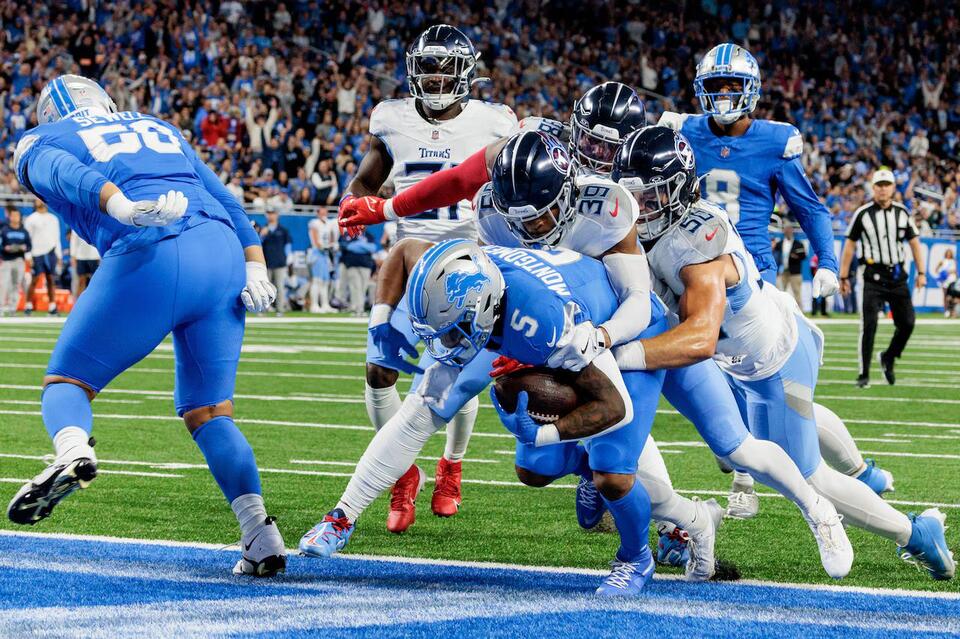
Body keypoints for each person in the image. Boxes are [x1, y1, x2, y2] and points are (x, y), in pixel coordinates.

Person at [611, 127, 954, 582]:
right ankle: (862, 471)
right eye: (633, 196)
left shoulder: (696, 246)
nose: (641, 208)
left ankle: (917, 533)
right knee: (743, 447)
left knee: (807, 476)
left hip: (772, 360)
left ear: (677, 190)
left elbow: (699, 338)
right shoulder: (664, 228)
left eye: (650, 196)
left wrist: (622, 353)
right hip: (742, 357)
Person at [6, 74, 284, 577]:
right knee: (210, 411)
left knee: (67, 381)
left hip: (150, 248)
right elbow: (224, 197)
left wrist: (121, 205)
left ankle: (71, 452)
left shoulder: (40, 139)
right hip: (223, 255)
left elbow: (67, 173)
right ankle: (261, 536)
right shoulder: (157, 125)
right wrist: (257, 266)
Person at [303, 238, 671, 595]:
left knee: (615, 464)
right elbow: (404, 250)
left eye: (452, 333)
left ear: (481, 310)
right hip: (520, 319)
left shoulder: (540, 322)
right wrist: (381, 320)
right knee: (440, 415)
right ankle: (342, 516)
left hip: (622, 330)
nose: (445, 344)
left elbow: (615, 406)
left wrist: (543, 434)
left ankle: (673, 530)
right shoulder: (456, 274)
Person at [338, 24, 518, 531]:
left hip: (468, 264)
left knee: (459, 378)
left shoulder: (495, 122)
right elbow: (365, 180)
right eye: (429, 68)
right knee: (378, 371)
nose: (437, 78)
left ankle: (451, 467)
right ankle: (402, 474)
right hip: (406, 264)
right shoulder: (391, 118)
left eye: (446, 68)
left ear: (466, 74)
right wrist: (353, 201)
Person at [840, 168, 926, 388]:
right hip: (872, 277)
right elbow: (850, 244)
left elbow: (914, 241)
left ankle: (888, 357)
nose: (883, 189)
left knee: (907, 323)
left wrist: (922, 272)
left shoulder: (902, 212)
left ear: (893, 188)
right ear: (873, 188)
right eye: (879, 185)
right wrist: (843, 275)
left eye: (887, 184)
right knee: (869, 324)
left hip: (897, 276)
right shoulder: (863, 213)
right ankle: (864, 374)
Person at [23, 199, 62, 315]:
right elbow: (27, 239)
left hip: (51, 253)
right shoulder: (31, 219)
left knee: (50, 279)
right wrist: (28, 255)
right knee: (34, 280)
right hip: (36, 253)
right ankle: (28, 305)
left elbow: (57, 237)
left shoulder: (53, 219)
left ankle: (52, 306)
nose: (38, 201)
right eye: (36, 200)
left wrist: (59, 255)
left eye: (39, 199)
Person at [259, 208, 291, 315]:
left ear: (277, 215)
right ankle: (263, 309)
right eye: (269, 213)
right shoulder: (262, 229)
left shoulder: (283, 230)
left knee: (280, 288)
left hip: (280, 263)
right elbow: (257, 245)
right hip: (266, 262)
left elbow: (288, 247)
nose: (271, 216)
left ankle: (280, 309)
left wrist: (286, 259)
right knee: (264, 288)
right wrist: (261, 236)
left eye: (273, 213)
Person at [0, 207, 31, 315]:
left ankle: (13, 308)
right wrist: (5, 248)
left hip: (19, 260)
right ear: (10, 217)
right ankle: (1, 306)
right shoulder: (4, 230)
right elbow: (1, 245)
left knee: (16, 284)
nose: (15, 218)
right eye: (13, 216)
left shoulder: (24, 231)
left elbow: (29, 246)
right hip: (7, 260)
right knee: (3, 283)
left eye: (17, 216)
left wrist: (24, 248)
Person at [307, 207, 338, 313]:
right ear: (317, 213)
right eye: (322, 212)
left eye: (325, 212)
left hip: (325, 254)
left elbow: (331, 237)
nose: (324, 214)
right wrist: (322, 246)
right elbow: (314, 239)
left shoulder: (329, 223)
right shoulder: (314, 223)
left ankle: (325, 304)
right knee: (317, 280)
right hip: (317, 253)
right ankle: (314, 305)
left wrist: (332, 244)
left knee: (325, 281)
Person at [340, 228, 376, 316]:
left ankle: (358, 308)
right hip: (352, 263)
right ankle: (357, 309)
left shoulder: (368, 235)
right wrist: (364, 246)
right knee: (355, 287)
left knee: (363, 288)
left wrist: (357, 245)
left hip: (366, 264)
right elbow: (347, 246)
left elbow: (372, 248)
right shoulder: (348, 234)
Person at [776, 221, 806, 309]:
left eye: (789, 229)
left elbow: (803, 255)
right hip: (782, 271)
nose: (788, 231)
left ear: (792, 231)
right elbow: (776, 256)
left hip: (795, 271)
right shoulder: (780, 243)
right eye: (786, 229)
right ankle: (780, 312)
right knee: (780, 292)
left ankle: (800, 313)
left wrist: (795, 256)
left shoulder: (798, 244)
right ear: (784, 231)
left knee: (797, 292)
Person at [69, 228, 100, 297]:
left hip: (94, 256)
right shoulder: (76, 222)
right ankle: (78, 304)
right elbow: (73, 240)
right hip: (80, 257)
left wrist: (100, 256)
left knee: (96, 282)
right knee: (81, 281)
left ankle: (94, 302)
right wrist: (73, 256)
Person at [935, 248, 957, 318]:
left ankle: (952, 311)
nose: (948, 254)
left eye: (949, 253)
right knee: (945, 296)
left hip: (951, 281)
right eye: (947, 253)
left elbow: (955, 271)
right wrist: (941, 274)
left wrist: (948, 272)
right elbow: (936, 269)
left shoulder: (953, 261)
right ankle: (946, 311)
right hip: (944, 281)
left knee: (951, 296)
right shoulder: (943, 261)